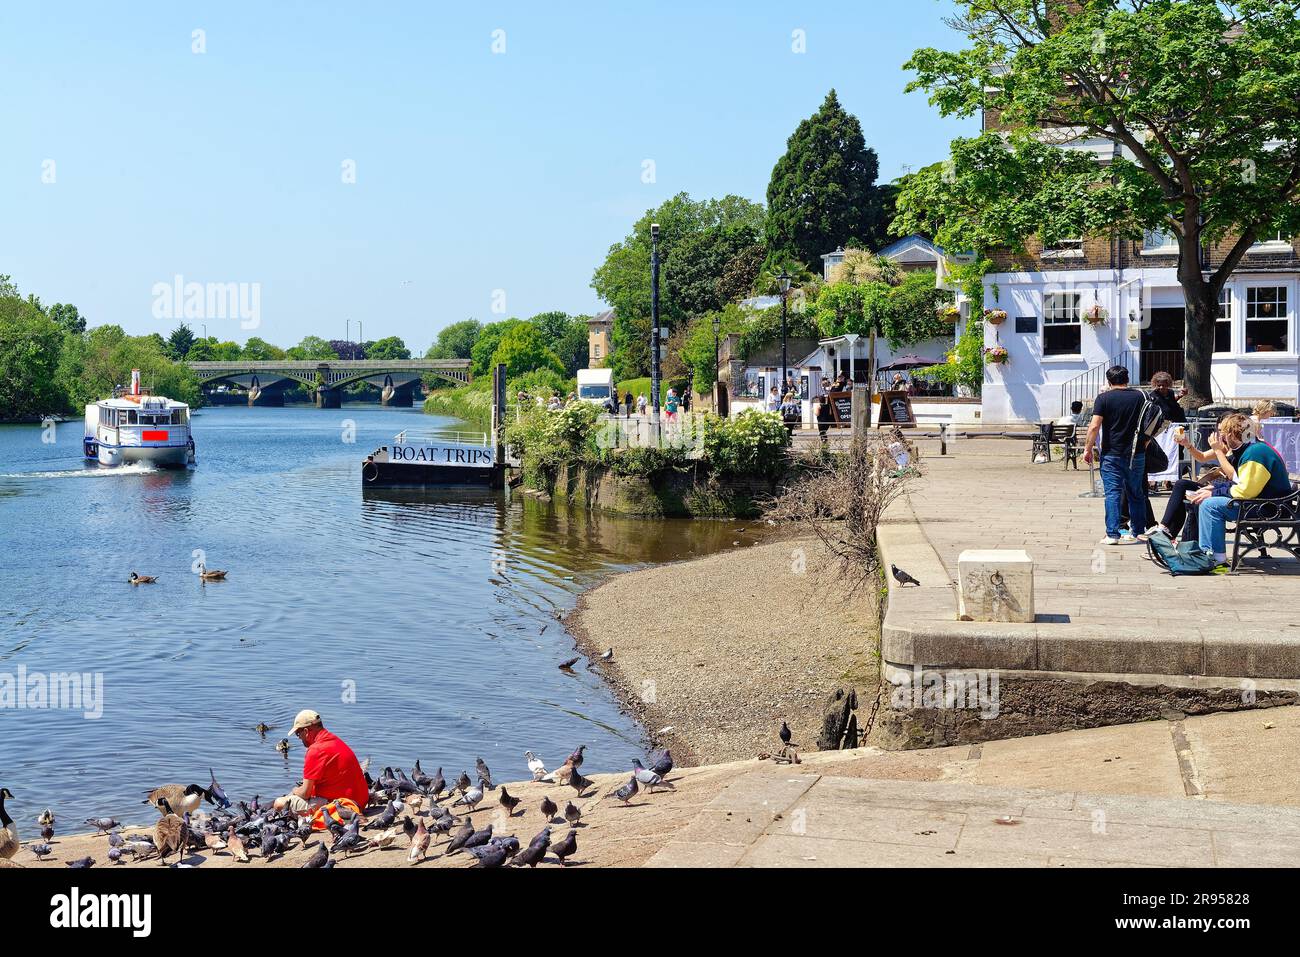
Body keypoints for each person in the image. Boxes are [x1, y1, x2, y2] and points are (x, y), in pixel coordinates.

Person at [1189, 412, 1292, 569]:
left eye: (1223, 433)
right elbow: (1243, 484)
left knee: (1210, 505)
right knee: (1207, 500)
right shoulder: (1252, 448)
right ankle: (1207, 553)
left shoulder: (1255, 454)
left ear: (1232, 434)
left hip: (1268, 508)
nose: (1221, 438)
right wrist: (1216, 488)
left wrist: (1214, 493)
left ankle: (1217, 558)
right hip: (1266, 503)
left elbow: (1245, 491)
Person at [1083, 365, 1149, 545]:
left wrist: (1087, 449)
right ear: (1127, 379)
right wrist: (1146, 442)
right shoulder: (1141, 396)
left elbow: (1095, 426)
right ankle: (1138, 531)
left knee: (1112, 493)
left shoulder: (1103, 398)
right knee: (1136, 492)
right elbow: (1154, 422)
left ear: (1109, 381)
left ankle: (1112, 534)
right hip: (1137, 452)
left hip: (1112, 452)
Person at [273, 710, 369, 819]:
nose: (299, 737)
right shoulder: (335, 740)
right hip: (361, 800)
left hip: (343, 805)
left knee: (279, 803)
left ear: (306, 731)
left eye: (298, 734)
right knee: (293, 795)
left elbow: (305, 793)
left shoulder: (315, 750)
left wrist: (295, 790)